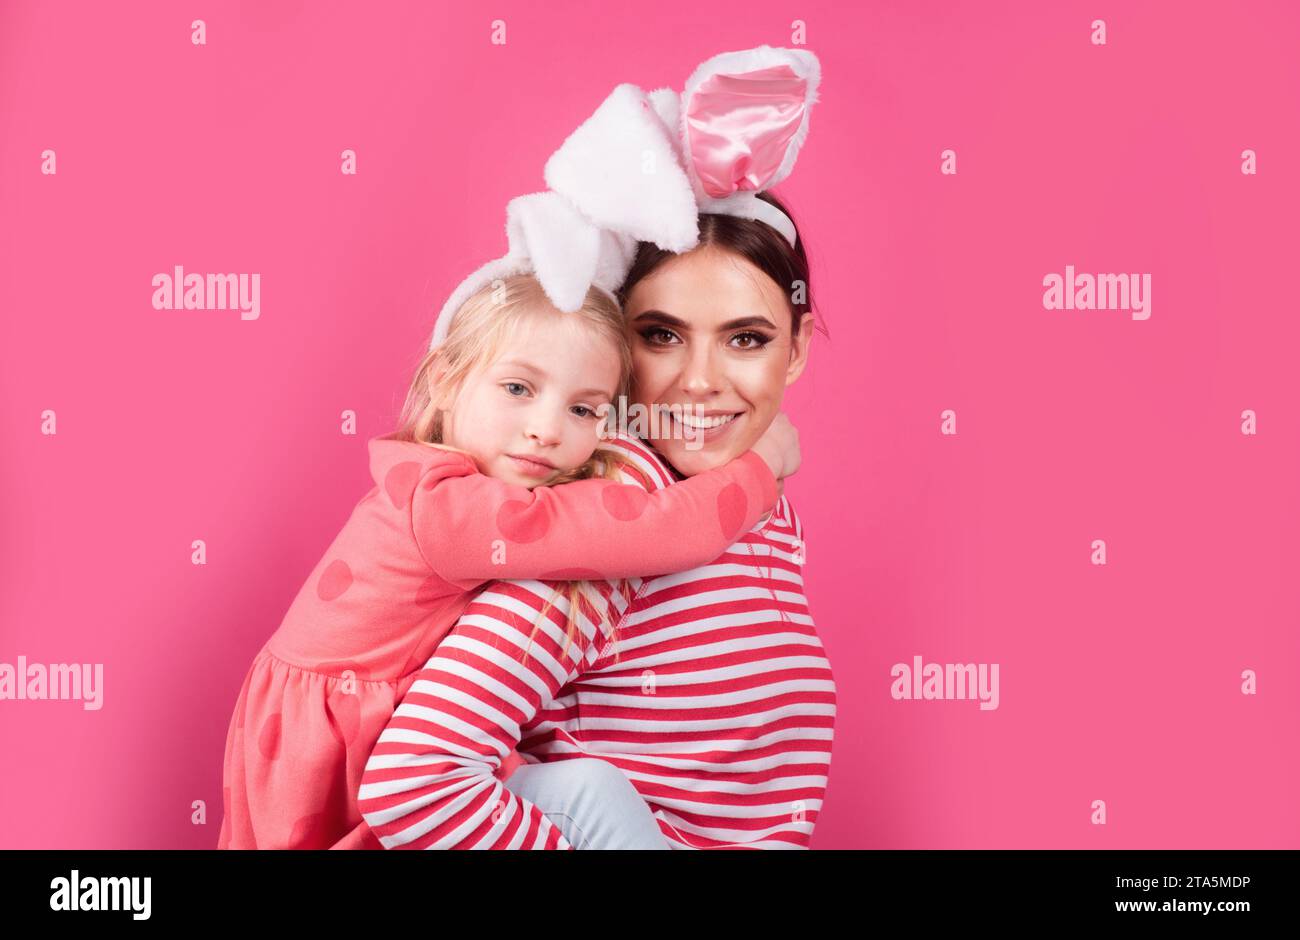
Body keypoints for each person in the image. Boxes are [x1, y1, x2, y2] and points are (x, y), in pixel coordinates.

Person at [358, 46, 836, 849]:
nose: (698, 383)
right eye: (660, 335)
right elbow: (416, 783)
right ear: (615, 351)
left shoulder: (757, 504)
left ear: (796, 349)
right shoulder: (613, 519)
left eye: (746, 339)